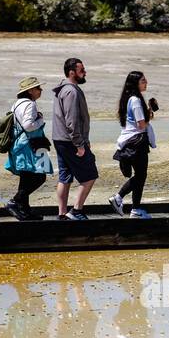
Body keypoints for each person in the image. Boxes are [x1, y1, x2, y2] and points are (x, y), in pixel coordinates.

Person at [51, 58, 97, 220]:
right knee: (90, 175)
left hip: (60, 139)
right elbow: (72, 120)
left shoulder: (62, 89)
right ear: (72, 72)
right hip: (70, 141)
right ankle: (76, 210)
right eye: (82, 70)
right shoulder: (71, 91)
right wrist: (80, 144)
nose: (85, 72)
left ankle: (62, 214)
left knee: (65, 177)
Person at [3, 76, 52, 221]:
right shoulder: (30, 105)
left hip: (18, 145)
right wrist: (40, 120)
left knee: (26, 178)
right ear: (30, 91)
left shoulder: (16, 104)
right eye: (38, 88)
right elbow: (28, 126)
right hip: (29, 145)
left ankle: (25, 212)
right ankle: (15, 201)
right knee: (40, 176)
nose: (40, 90)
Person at [109, 70, 157, 219]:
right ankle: (119, 197)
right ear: (135, 83)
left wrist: (149, 110)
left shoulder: (130, 98)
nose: (146, 82)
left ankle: (135, 209)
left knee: (140, 176)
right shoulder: (135, 100)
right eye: (143, 80)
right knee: (141, 175)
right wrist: (148, 115)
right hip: (137, 142)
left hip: (131, 140)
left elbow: (137, 122)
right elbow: (141, 125)